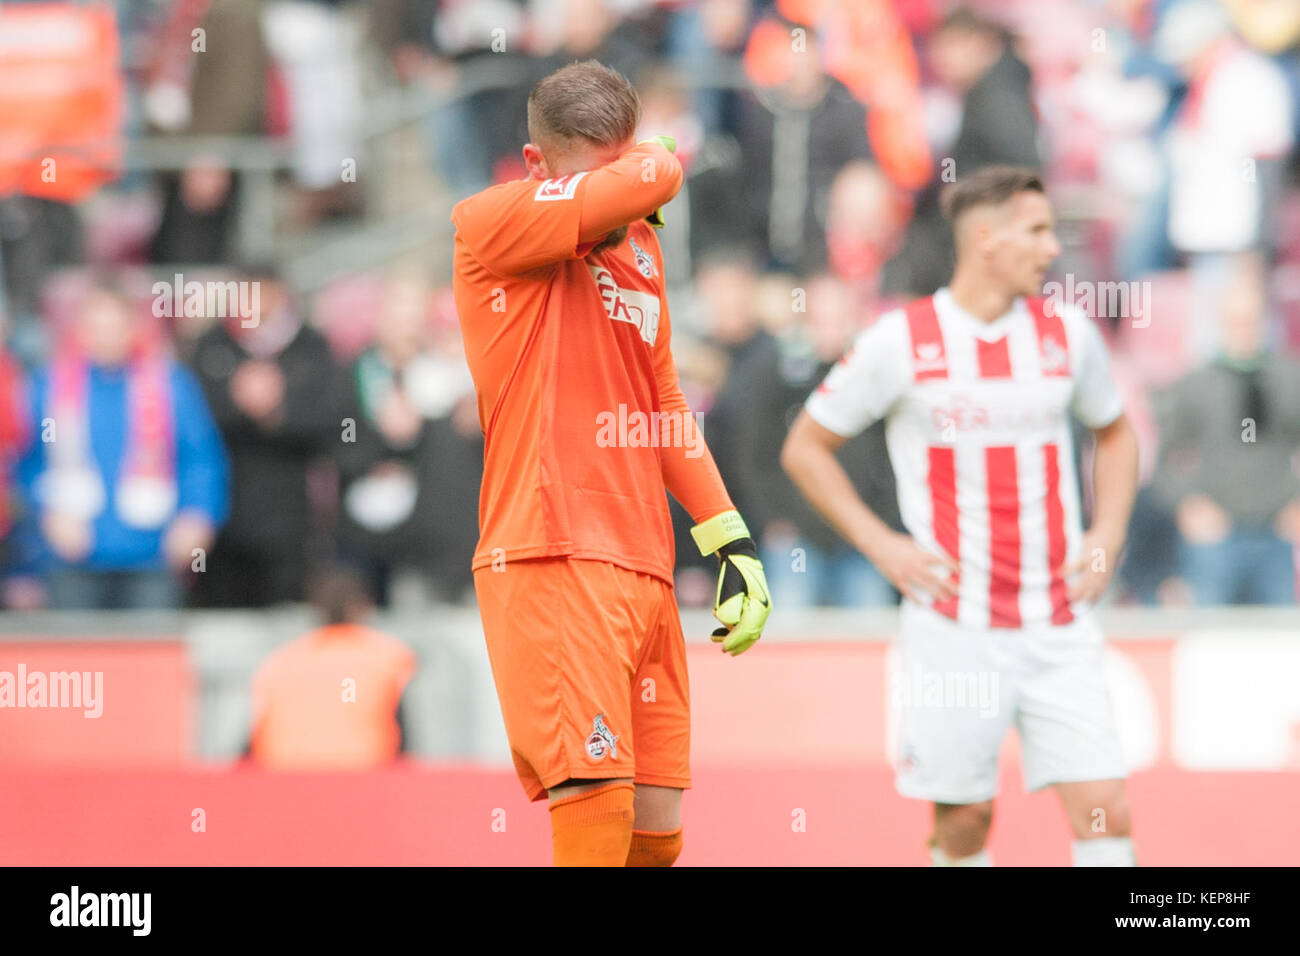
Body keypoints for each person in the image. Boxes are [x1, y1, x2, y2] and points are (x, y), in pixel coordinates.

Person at [451, 60, 770, 867]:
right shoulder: (489, 224)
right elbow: (652, 174)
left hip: (643, 563)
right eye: (605, 174)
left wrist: (727, 538)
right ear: (536, 167)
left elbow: (663, 405)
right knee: (595, 815)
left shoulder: (644, 256)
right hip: (553, 551)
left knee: (654, 835)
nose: (630, 194)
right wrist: (651, 164)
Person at [783, 167, 1140, 866]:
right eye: (1035, 231)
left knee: (1106, 805)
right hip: (953, 627)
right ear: (985, 238)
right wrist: (881, 544)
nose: (1049, 249)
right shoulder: (901, 341)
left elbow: (1117, 432)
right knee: (965, 820)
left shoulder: (1067, 334)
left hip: (1057, 620)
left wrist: (1106, 534)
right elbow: (806, 448)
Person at [19, 274, 228, 609]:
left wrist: (198, 515)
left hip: (153, 558)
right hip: (72, 558)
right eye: (97, 325)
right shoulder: (49, 387)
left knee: (148, 655)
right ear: (81, 329)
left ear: (134, 327)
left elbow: (201, 458)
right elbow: (28, 462)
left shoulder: (170, 385)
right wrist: (46, 512)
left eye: (115, 325)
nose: (106, 336)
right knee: (79, 659)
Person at [1153, 254, 1300, 605]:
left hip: (1276, 536)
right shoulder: (1195, 384)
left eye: (1250, 321)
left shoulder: (1288, 378)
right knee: (1208, 640)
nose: (1243, 332)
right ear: (1220, 322)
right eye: (1235, 322)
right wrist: (1188, 504)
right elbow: (1164, 463)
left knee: (1280, 645)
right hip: (1216, 542)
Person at [248, 564, 416, 770]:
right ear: (362, 606)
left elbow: (254, 732)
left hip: (285, 774)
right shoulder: (389, 653)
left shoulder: (282, 658)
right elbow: (404, 735)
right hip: (365, 771)